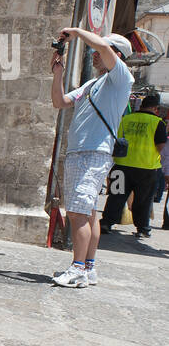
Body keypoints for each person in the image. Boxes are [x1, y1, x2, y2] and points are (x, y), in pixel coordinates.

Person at [49, 28, 134, 287]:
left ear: (116, 54)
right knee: (88, 214)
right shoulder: (93, 83)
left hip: (91, 153)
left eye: (99, 51)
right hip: (81, 152)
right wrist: (58, 74)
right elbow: (60, 102)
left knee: (76, 213)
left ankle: (77, 269)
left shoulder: (121, 77)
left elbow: (104, 48)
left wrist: (75, 32)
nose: (94, 55)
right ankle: (88, 267)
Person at [100, 90, 167, 239]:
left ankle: (106, 223)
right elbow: (161, 147)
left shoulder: (126, 119)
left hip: (122, 165)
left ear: (141, 106)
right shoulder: (158, 123)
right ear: (156, 109)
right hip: (147, 168)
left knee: (116, 196)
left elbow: (116, 139)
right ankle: (142, 228)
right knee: (143, 200)